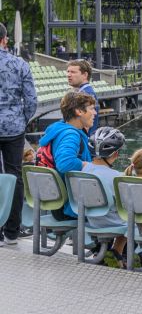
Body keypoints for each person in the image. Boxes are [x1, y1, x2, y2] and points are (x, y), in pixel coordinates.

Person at [0, 22, 36, 245]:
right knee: (14, 175)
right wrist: (22, 120)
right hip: (13, 127)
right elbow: (31, 100)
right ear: (5, 39)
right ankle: (12, 231)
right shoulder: (18, 64)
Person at [38, 91, 96, 220]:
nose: (95, 113)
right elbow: (65, 163)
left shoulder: (59, 129)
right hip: (72, 206)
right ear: (79, 111)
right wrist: (86, 164)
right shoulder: (70, 134)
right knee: (121, 212)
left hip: (58, 203)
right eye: (91, 109)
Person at [80, 127, 132, 263]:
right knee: (134, 217)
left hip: (91, 219)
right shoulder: (116, 177)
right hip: (111, 222)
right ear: (115, 154)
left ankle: (107, 252)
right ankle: (116, 252)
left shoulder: (83, 170)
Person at [66, 59, 99, 135]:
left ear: (85, 75)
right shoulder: (85, 92)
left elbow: (85, 125)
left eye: (73, 72)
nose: (68, 75)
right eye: (68, 71)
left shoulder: (86, 95)